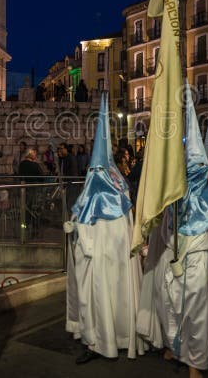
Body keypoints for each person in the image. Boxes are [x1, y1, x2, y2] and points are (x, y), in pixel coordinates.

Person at [137, 85, 208, 377]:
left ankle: (195, 363)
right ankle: (175, 347)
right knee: (168, 306)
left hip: (197, 262)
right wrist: (153, 246)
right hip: (172, 259)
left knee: (195, 313)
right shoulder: (173, 191)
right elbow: (162, 223)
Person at [65, 92, 144, 364]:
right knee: (94, 301)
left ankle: (111, 338)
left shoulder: (117, 196)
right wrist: (74, 228)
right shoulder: (103, 194)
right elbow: (83, 225)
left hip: (109, 264)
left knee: (106, 299)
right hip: (93, 264)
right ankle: (95, 340)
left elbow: (124, 232)